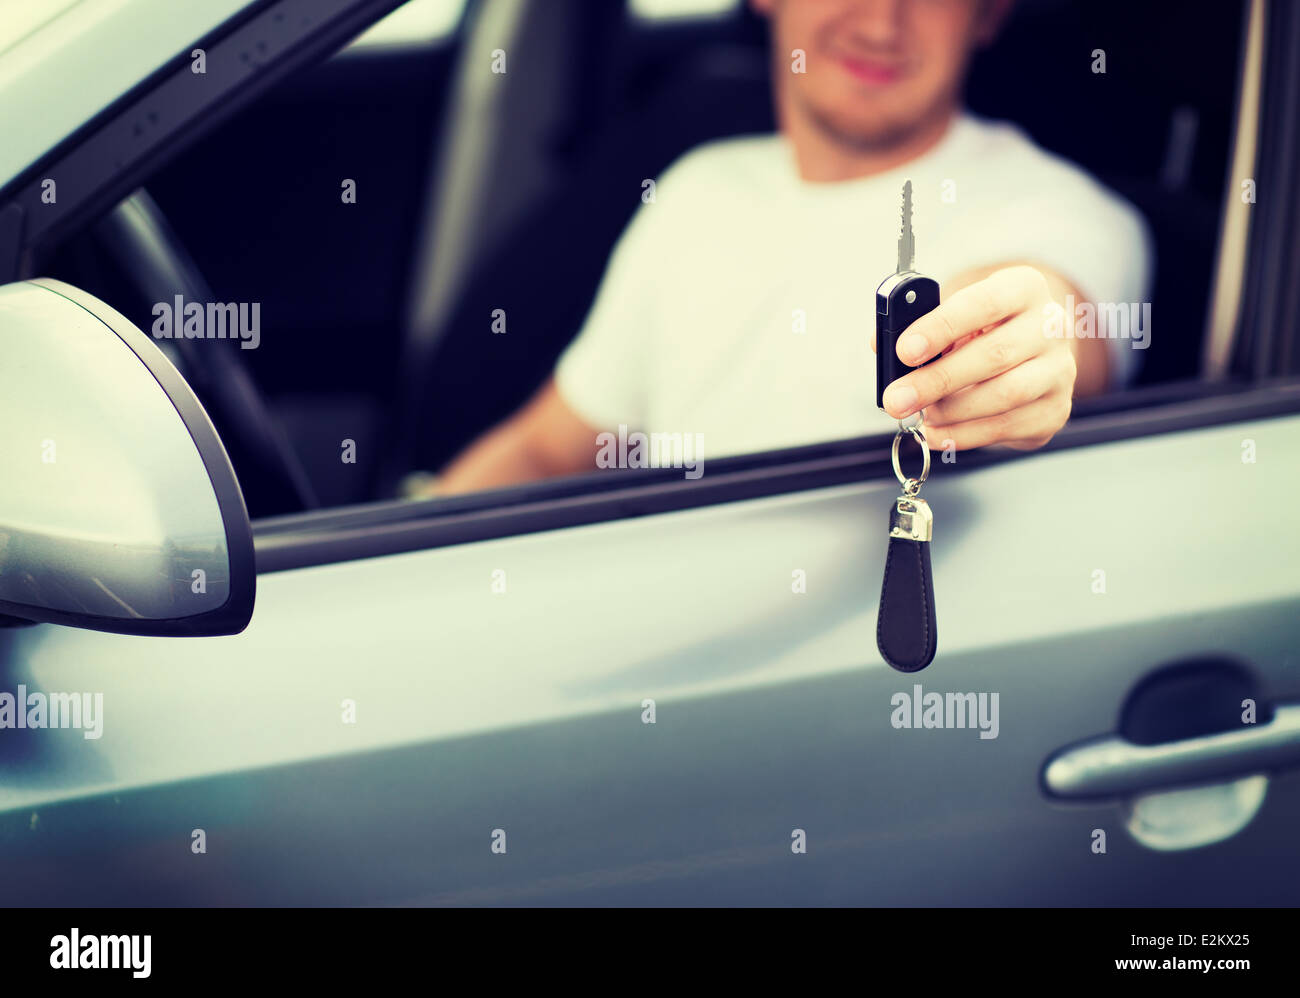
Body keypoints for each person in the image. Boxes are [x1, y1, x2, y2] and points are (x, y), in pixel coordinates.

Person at [419, 0, 1150, 496]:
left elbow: (1046, 314)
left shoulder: (1067, 214)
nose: (881, 22)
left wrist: (1005, 343)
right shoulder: (698, 190)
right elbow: (549, 448)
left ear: (987, 13)